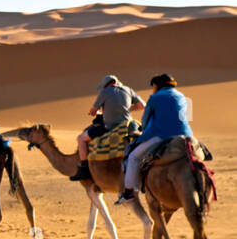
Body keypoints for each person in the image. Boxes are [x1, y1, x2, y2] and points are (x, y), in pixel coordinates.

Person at [118, 73, 192, 204]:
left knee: (133, 157)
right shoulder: (182, 96)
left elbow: (145, 120)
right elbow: (186, 118)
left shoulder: (155, 97)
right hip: (186, 136)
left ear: (158, 86)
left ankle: (129, 191)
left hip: (161, 136)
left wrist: (142, 130)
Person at [70, 75, 145, 181]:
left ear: (105, 85)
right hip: (128, 125)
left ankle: (84, 168)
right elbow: (142, 105)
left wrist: (98, 112)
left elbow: (93, 111)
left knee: (81, 138)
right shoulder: (128, 90)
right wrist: (127, 109)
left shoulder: (104, 92)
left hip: (110, 126)